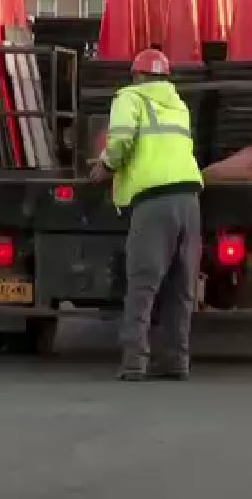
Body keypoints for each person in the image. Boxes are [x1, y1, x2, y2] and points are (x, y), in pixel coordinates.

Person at [89, 48, 204, 382]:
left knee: (143, 283)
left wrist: (105, 166)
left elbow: (122, 140)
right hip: (189, 199)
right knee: (181, 286)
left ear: (136, 76)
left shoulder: (129, 98)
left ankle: (134, 361)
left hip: (154, 201)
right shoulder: (178, 105)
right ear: (165, 77)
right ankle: (176, 361)